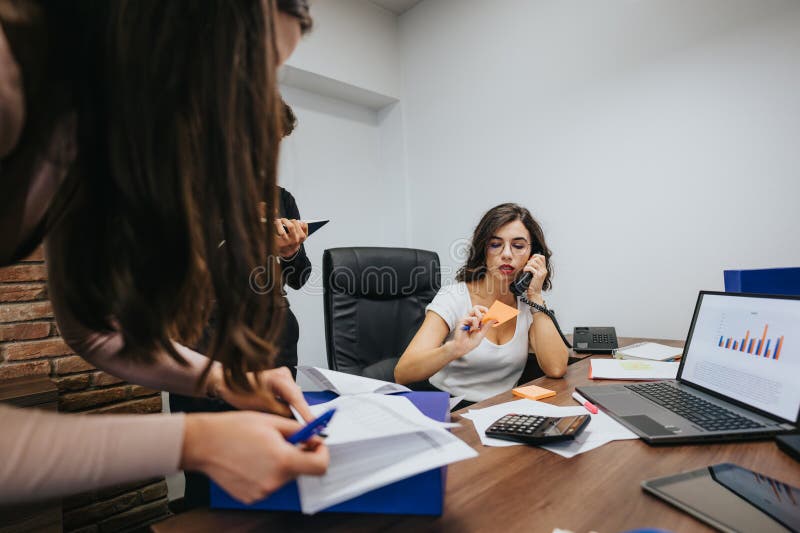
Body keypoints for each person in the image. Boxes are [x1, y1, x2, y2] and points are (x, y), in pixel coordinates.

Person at [0, 0, 327, 505]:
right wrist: (193, 441)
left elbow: (94, 328)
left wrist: (222, 379)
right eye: (242, 74)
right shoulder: (13, 75)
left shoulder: (102, 140)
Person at [169, 103, 312, 509]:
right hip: (206, 347)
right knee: (210, 479)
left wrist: (287, 253)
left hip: (276, 343)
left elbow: (299, 276)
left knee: (274, 466)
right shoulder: (187, 197)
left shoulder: (282, 199)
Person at [394, 203, 569, 406]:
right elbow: (403, 373)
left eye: (518, 246)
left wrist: (536, 297)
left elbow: (556, 368)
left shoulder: (528, 305)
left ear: (533, 256)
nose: (506, 254)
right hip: (449, 408)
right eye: (495, 244)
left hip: (500, 410)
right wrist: (454, 349)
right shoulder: (454, 297)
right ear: (483, 250)